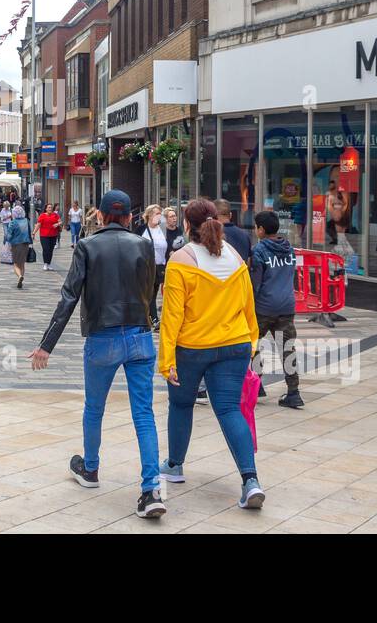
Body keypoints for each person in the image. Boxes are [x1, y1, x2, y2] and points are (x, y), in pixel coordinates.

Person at [28, 189, 165, 519]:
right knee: (144, 413)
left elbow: (69, 297)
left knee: (95, 407)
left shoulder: (87, 246)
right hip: (139, 335)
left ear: (100, 216)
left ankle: (91, 469)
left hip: (102, 337)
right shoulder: (143, 245)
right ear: (130, 218)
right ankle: (150, 489)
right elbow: (150, 292)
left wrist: (46, 344)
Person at [158, 198, 265, 509]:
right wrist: (252, 342)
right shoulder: (234, 256)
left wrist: (166, 360)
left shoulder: (180, 259)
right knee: (230, 410)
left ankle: (175, 465)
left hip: (192, 347)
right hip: (235, 344)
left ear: (187, 225)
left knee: (180, 405)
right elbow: (249, 305)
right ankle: (250, 480)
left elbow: (172, 316)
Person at [251, 210, 303, 409]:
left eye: (256, 227)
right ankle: (294, 392)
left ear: (261, 230)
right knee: (287, 349)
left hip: (264, 307)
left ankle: (257, 384)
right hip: (286, 306)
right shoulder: (289, 248)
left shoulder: (259, 251)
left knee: (252, 345)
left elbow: (256, 283)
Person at [7, 205, 32, 289]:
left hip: (16, 244)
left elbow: (9, 235)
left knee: (16, 263)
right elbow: (29, 232)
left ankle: (19, 276)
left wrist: (7, 242)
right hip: (25, 244)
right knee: (22, 263)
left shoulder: (13, 222)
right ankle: (21, 277)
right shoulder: (26, 221)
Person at [37, 203, 62, 271]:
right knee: (46, 249)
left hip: (53, 235)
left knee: (51, 250)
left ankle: (49, 264)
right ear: (46, 209)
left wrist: (57, 224)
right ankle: (45, 263)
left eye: (51, 207)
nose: (50, 209)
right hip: (44, 235)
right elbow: (38, 225)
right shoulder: (42, 216)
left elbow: (60, 222)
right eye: (49, 207)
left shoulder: (55, 215)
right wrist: (33, 233)